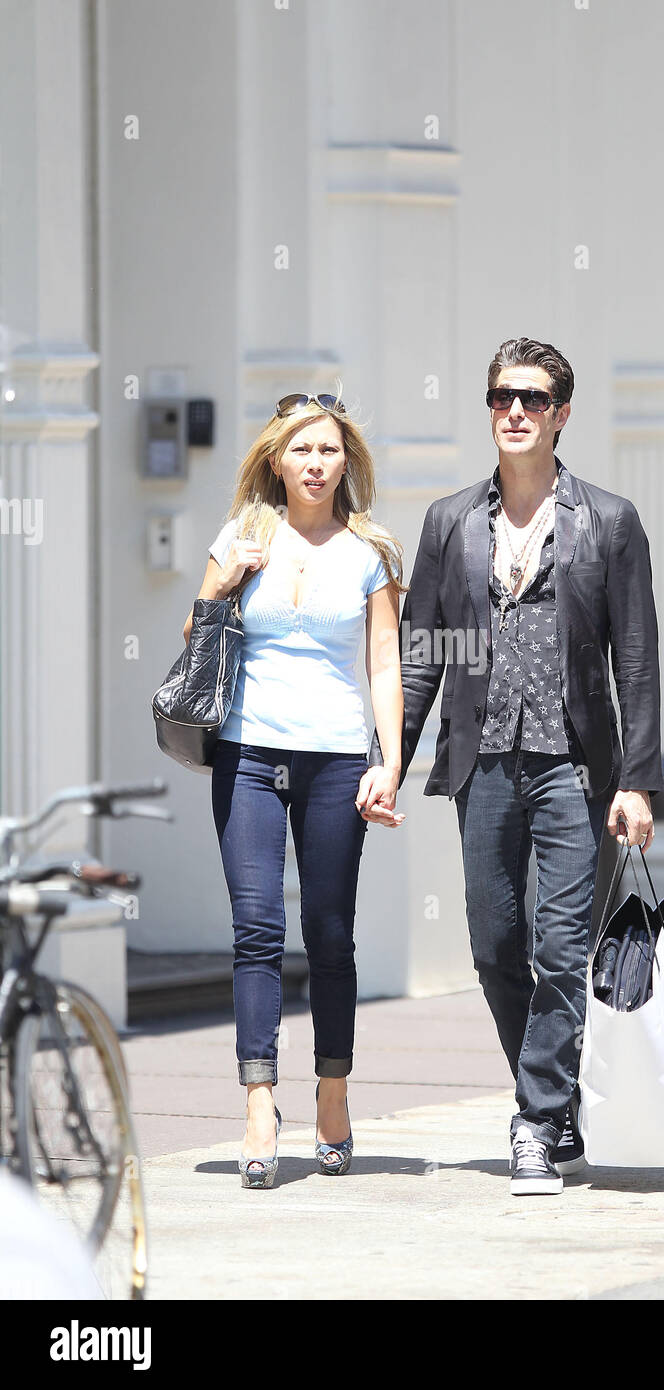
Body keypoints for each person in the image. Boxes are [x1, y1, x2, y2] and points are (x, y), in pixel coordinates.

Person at [368, 338, 664, 1195]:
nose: (516, 411)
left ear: (562, 413)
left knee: (562, 946)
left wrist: (636, 779)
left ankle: (534, 1123)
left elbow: (636, 661)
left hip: (576, 767)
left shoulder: (609, 521)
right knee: (497, 946)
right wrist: (391, 757)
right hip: (483, 761)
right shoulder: (450, 522)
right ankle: (556, 1096)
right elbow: (423, 651)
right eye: (503, 396)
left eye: (534, 398)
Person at [183, 390, 405, 1189]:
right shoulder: (242, 535)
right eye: (302, 450)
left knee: (331, 933)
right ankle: (258, 1102)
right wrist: (221, 586)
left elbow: (385, 660)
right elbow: (194, 638)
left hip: (338, 758)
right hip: (247, 751)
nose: (316, 464)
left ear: (347, 461)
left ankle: (335, 1092)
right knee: (255, 929)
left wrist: (390, 761)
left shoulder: (371, 551)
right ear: (276, 459)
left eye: (330, 451)